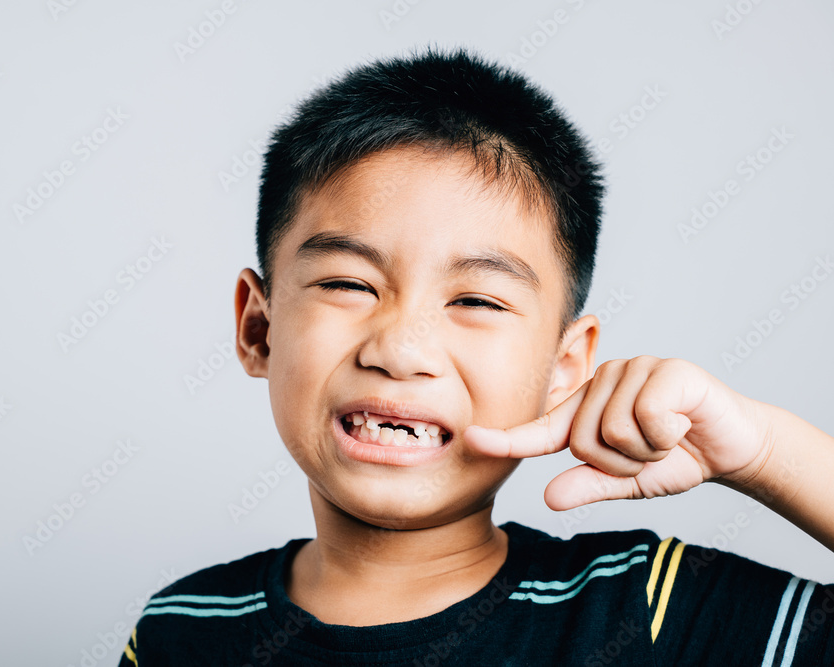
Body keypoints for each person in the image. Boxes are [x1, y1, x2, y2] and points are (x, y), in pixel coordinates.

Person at [119, 45, 834, 665]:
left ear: (564, 367)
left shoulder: (645, 608)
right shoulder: (183, 630)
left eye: (477, 300)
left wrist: (764, 452)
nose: (401, 349)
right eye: (347, 282)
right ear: (258, 328)